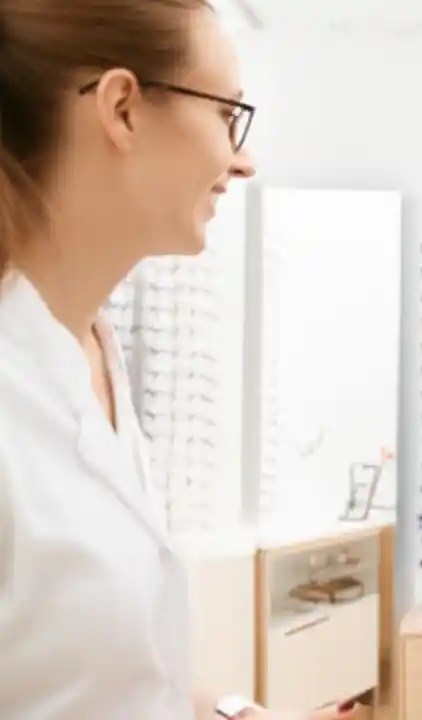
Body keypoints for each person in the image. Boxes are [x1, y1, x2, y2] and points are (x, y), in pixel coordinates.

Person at [0, 2, 351, 718]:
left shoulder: (89, 353)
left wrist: (232, 714)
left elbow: (90, 677)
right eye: (228, 114)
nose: (243, 158)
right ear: (123, 108)